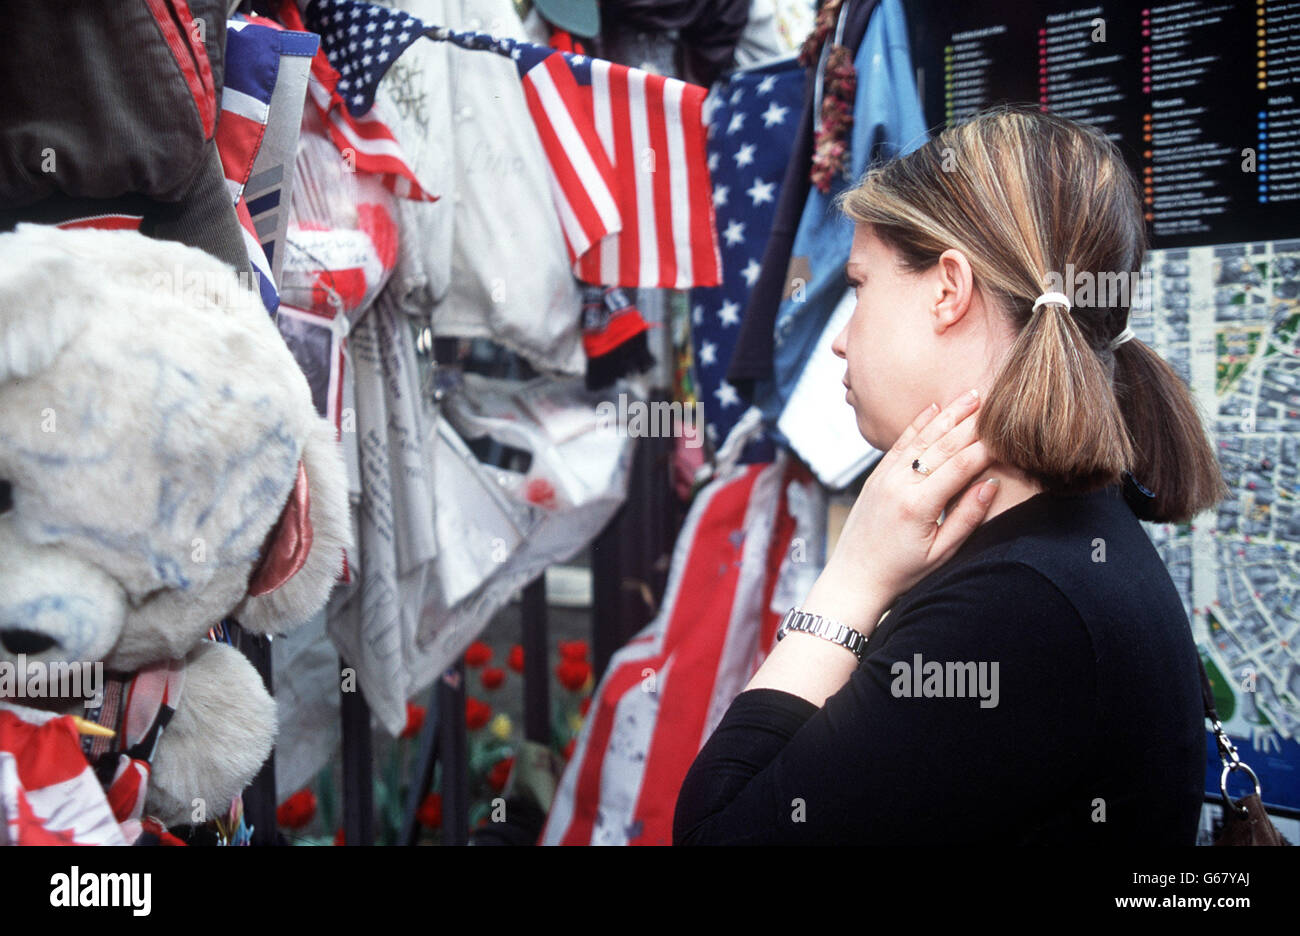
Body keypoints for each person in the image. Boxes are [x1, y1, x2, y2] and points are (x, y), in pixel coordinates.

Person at [672, 104, 1229, 845]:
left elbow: (716, 839)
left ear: (947, 289)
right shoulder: (1062, 547)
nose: (839, 341)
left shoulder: (1019, 606)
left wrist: (854, 579)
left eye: (860, 286)